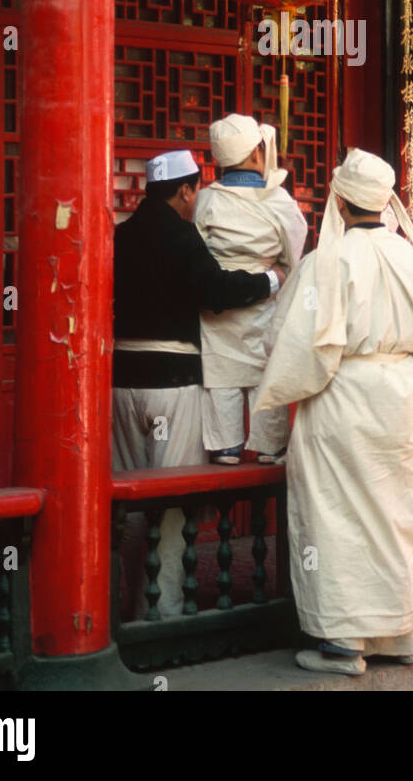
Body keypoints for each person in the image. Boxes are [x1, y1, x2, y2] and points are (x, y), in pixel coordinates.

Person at [254, 147, 413, 675]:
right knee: (395, 517)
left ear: (340, 201)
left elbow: (291, 341)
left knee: (336, 517)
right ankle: (399, 635)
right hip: (399, 397)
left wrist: (280, 396)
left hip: (341, 398)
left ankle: (344, 642)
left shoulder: (327, 261)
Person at [112, 148, 285, 619]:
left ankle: (122, 608)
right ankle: (164, 610)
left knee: (125, 502)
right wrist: (271, 279)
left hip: (120, 384)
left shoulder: (120, 236)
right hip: (173, 386)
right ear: (185, 190)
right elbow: (216, 293)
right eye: (195, 192)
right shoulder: (183, 238)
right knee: (170, 502)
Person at [194, 114, 308, 465]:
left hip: (217, 311)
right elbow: (296, 249)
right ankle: (270, 445)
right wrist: (278, 275)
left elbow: (196, 253)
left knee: (222, 378)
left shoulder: (205, 200)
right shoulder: (278, 200)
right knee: (266, 377)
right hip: (266, 303)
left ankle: (226, 445)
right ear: (257, 155)